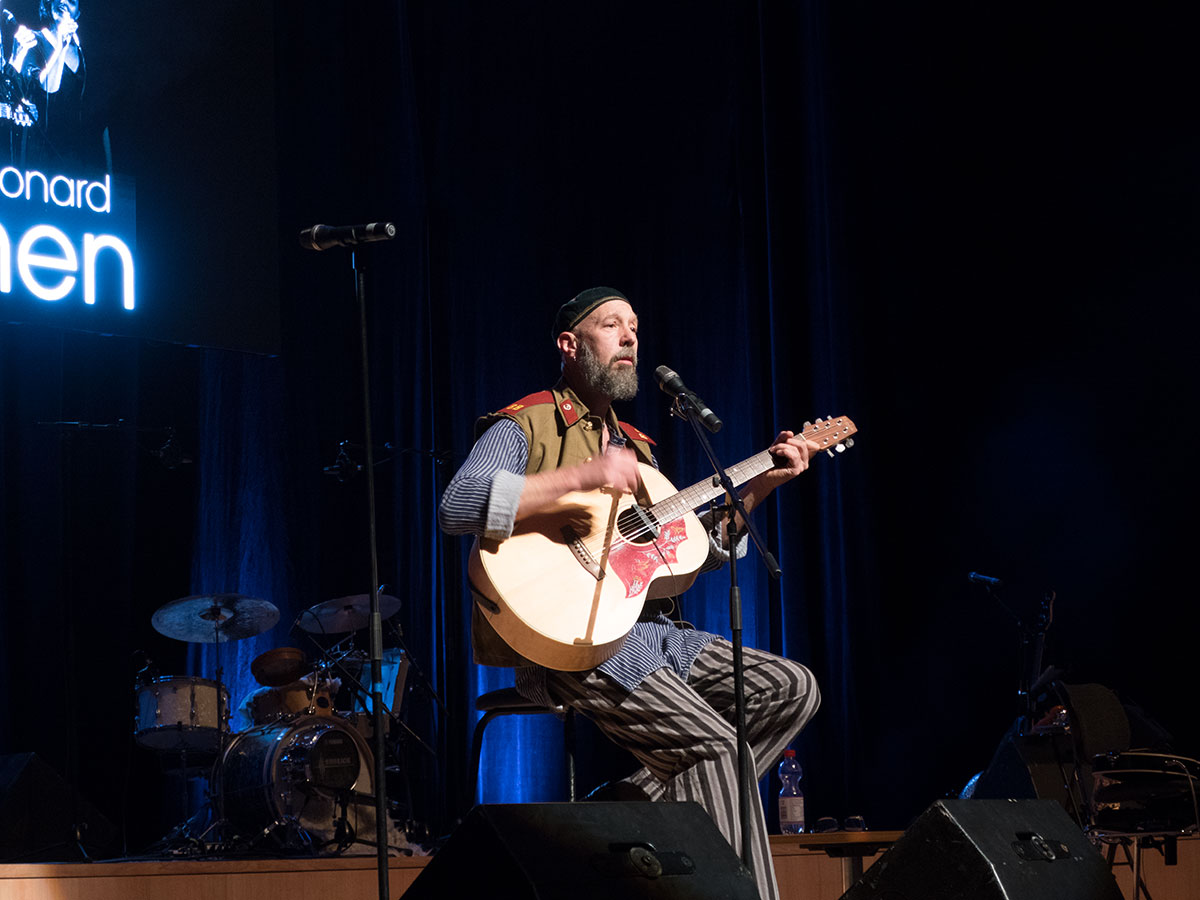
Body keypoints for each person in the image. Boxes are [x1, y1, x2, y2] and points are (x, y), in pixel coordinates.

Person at [439, 287, 821, 900]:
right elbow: (458, 506)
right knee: (716, 748)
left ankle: (632, 801)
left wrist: (764, 485)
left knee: (792, 688)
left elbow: (692, 550)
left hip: (650, 631)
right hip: (572, 636)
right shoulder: (528, 421)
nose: (630, 336)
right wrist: (585, 476)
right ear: (570, 344)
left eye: (635, 326)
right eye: (611, 324)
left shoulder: (639, 448)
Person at [11, 0, 87, 166]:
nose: (63, 1)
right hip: (37, 149)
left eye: (72, 1)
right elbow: (47, 88)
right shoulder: (31, 40)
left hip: (72, 152)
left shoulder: (81, 52)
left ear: (78, 13)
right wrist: (61, 46)